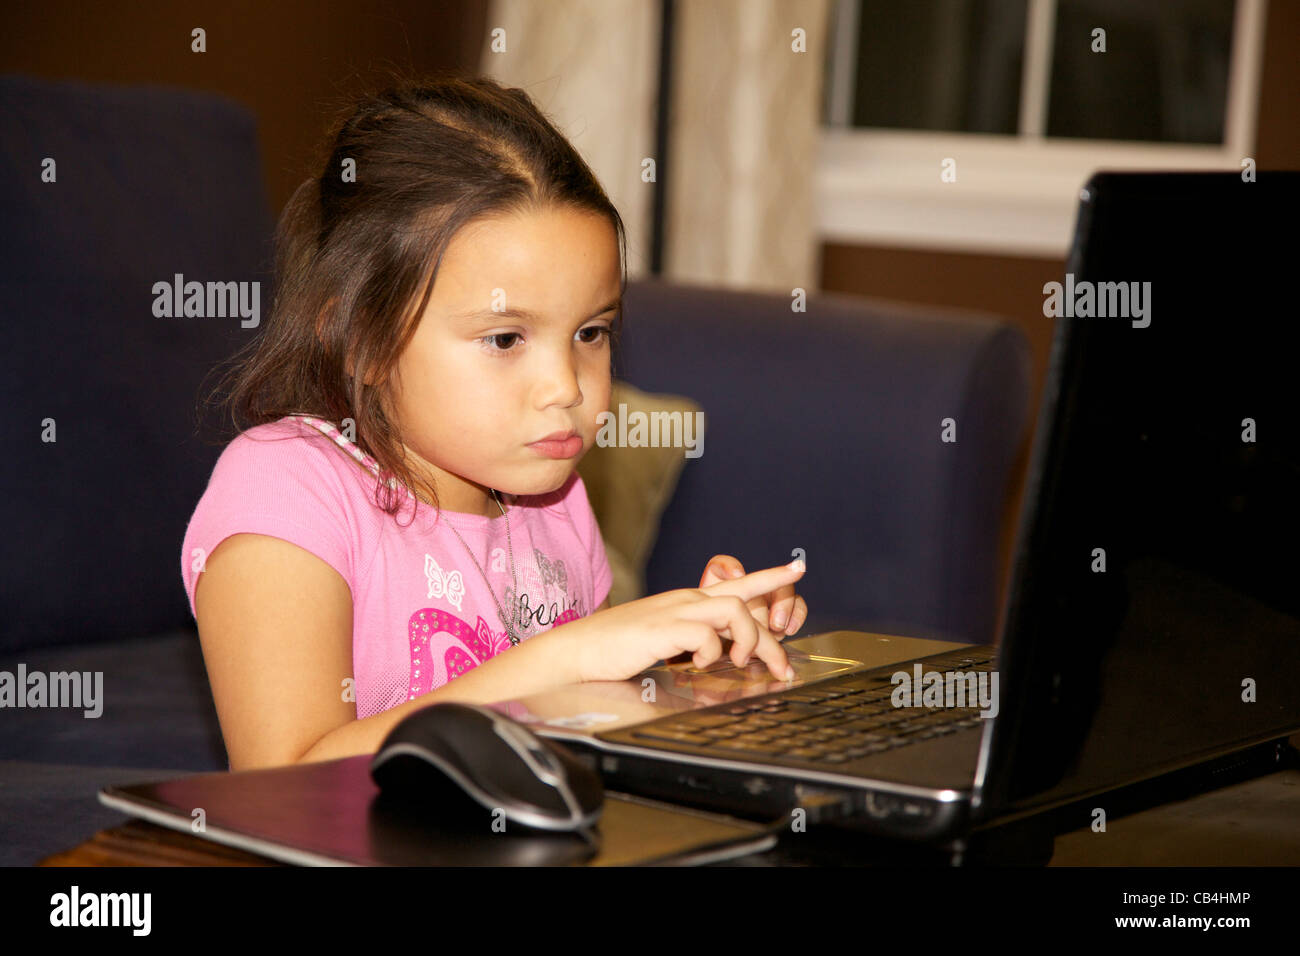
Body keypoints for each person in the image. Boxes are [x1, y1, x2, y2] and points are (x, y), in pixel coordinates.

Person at [181, 75, 807, 772]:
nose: (566, 387)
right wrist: (565, 658)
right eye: (506, 339)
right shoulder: (287, 491)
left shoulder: (554, 499)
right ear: (361, 340)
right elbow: (283, 785)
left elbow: (576, 727)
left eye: (592, 331)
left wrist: (685, 651)